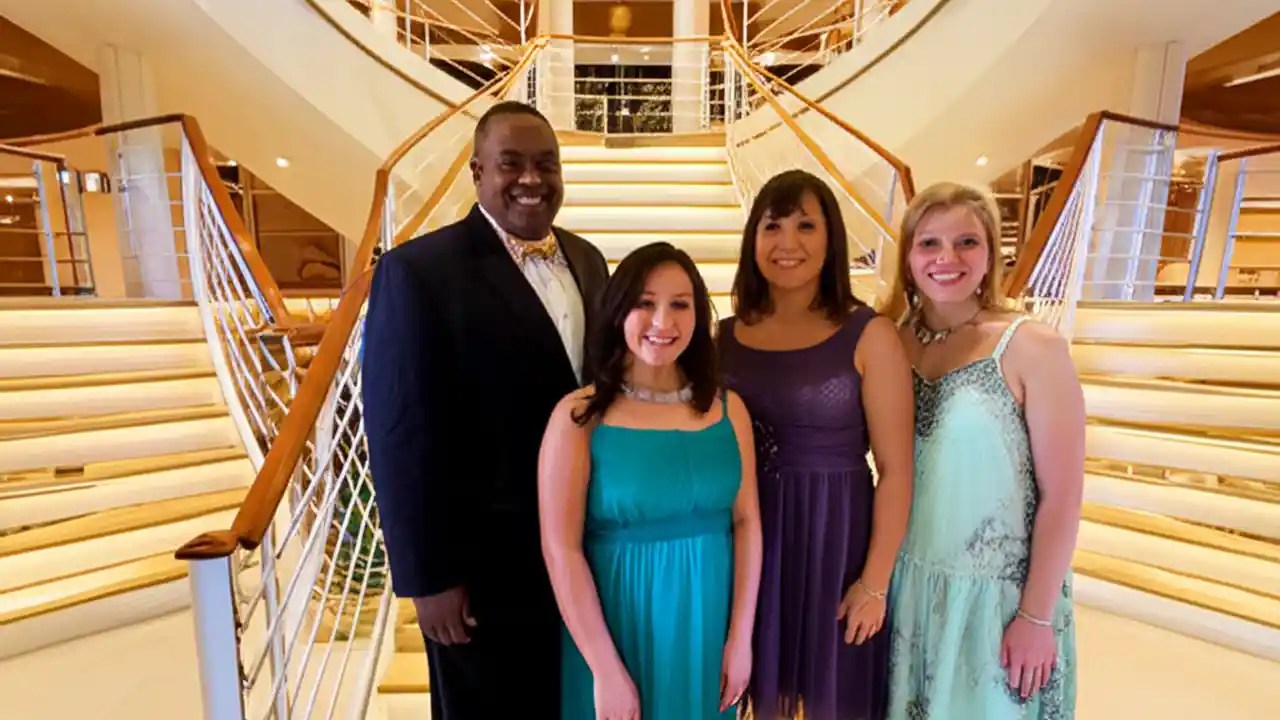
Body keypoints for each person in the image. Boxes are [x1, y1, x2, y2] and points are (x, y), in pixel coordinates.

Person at [362, 101, 610, 719]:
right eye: (511, 164)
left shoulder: (588, 259)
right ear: (477, 172)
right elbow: (398, 432)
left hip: (582, 546)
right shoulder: (416, 271)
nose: (531, 179)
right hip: (481, 564)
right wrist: (427, 576)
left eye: (546, 164)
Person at [718, 169, 915, 719]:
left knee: (833, 694)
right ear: (751, 239)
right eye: (772, 225)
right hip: (751, 536)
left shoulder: (869, 333)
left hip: (836, 539)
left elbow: (897, 470)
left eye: (806, 225)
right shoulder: (723, 337)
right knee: (757, 691)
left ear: (831, 238)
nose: (787, 243)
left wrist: (874, 584)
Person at [538, 242, 763, 720]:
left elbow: (747, 524)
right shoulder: (577, 416)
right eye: (645, 303)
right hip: (619, 625)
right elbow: (562, 551)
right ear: (619, 310)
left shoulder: (728, 409)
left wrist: (741, 637)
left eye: (680, 304)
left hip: (707, 623)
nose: (663, 322)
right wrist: (604, 668)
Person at [884, 181, 1082, 719]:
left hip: (994, 605)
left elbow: (1063, 495)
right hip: (901, 592)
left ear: (991, 252)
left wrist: (1036, 617)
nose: (947, 258)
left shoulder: (1032, 346)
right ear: (906, 257)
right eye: (929, 243)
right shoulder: (886, 341)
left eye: (967, 242)